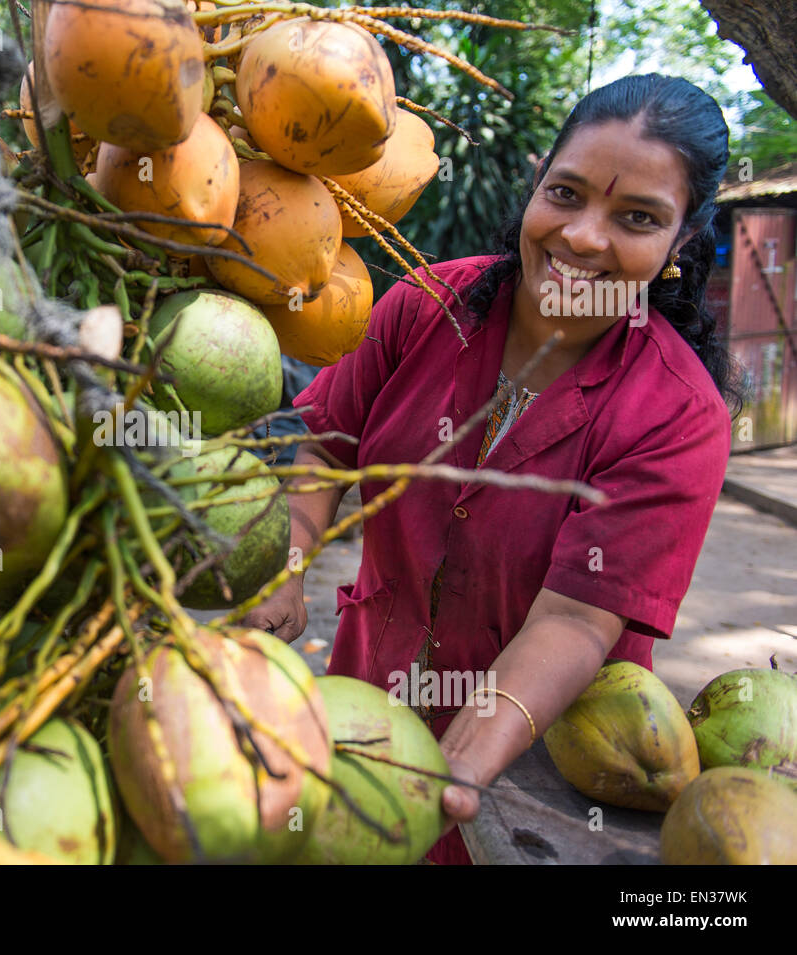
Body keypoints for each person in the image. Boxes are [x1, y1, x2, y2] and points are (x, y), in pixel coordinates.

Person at [240, 74, 742, 865]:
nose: (582, 236)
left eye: (637, 217)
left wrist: (467, 760)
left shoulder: (677, 413)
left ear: (681, 244)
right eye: (566, 193)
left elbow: (575, 620)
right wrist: (287, 561)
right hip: (358, 707)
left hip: (537, 776)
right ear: (537, 181)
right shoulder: (422, 304)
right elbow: (328, 443)